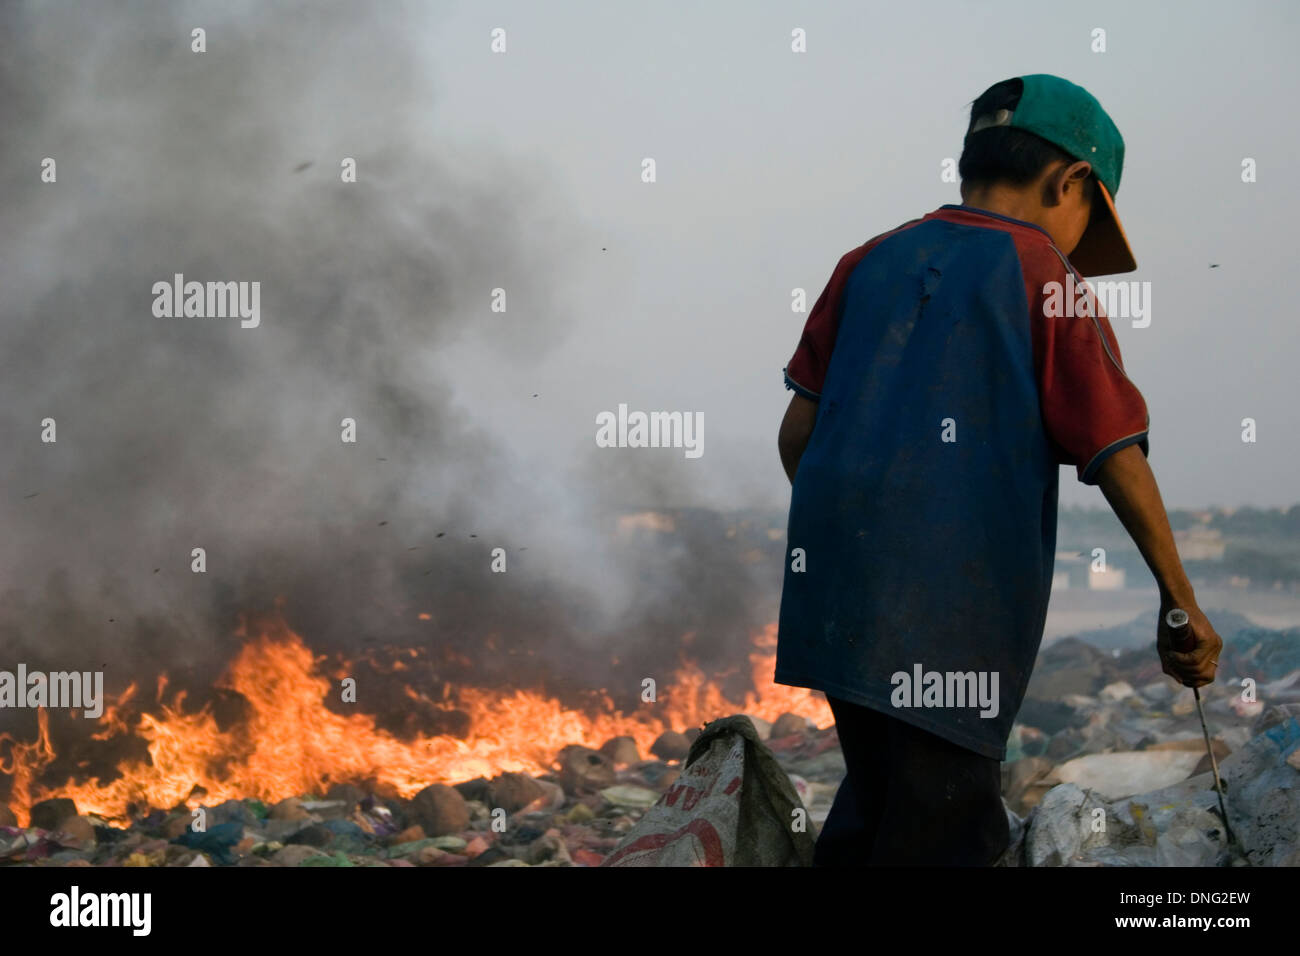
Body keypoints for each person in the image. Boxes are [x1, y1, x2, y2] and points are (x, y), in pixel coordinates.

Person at [773, 74, 1223, 866]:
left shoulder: (866, 261)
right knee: (945, 828)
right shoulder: (1043, 276)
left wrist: (852, 545)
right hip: (949, 611)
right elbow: (1116, 451)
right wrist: (1179, 603)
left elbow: (797, 434)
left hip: (835, 603)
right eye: (1091, 217)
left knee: (881, 795)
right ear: (1070, 180)